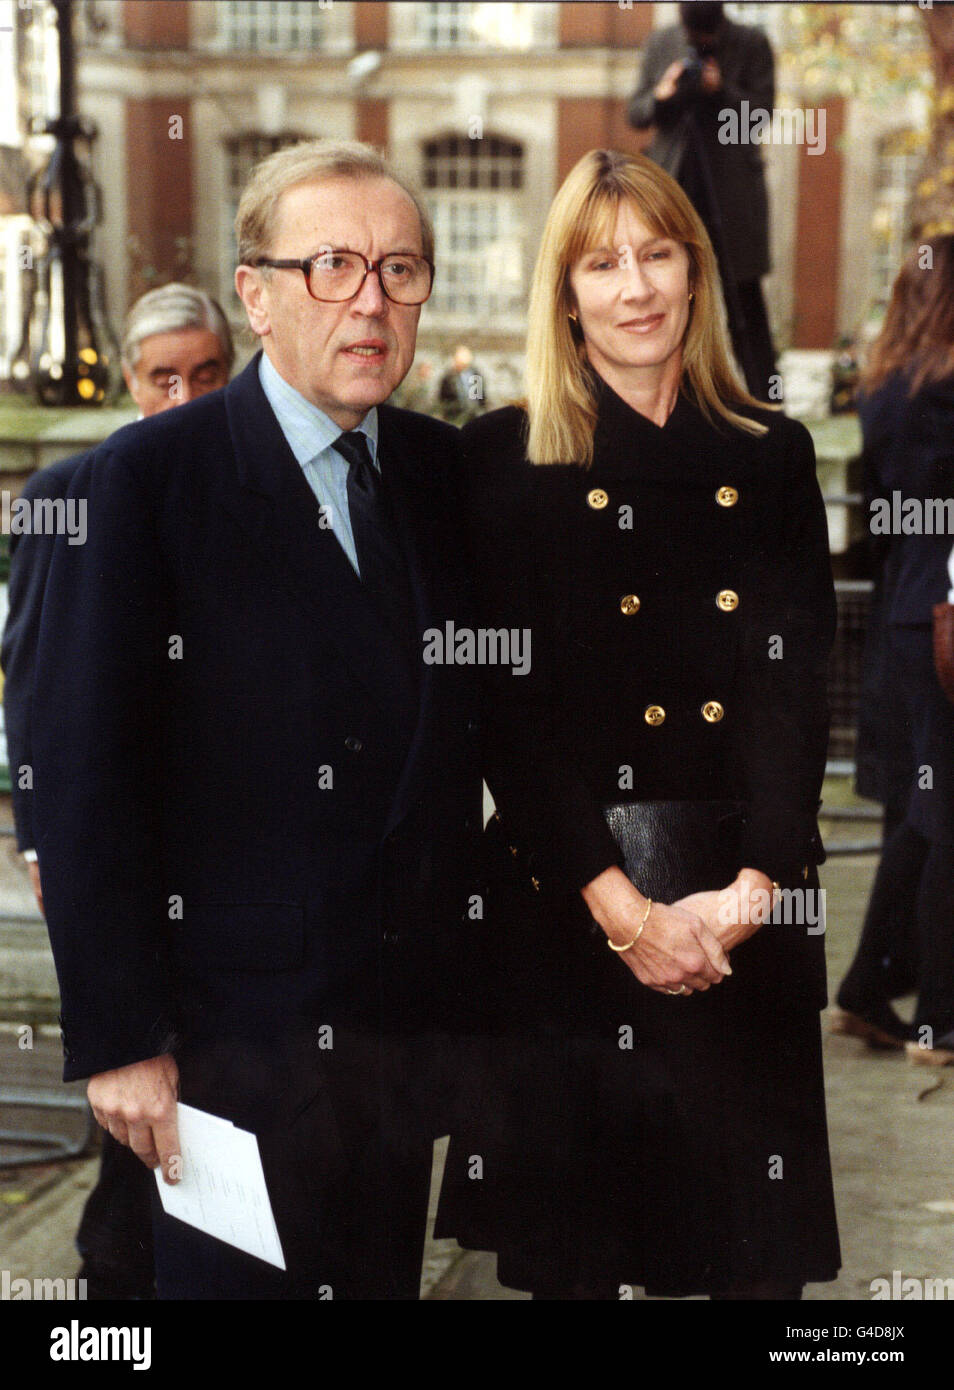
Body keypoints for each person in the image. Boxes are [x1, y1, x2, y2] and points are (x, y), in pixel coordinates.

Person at [31, 138, 481, 1299]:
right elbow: (84, 777)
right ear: (257, 293)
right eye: (333, 264)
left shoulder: (442, 477)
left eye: (400, 269)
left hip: (394, 1045)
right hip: (225, 1049)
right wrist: (120, 1038)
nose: (372, 301)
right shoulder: (142, 485)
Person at [435, 149, 840, 1300]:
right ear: (564, 293)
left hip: (737, 912)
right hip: (577, 912)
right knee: (582, 1263)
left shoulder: (770, 455)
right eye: (601, 263)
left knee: (751, 1270)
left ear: (697, 274)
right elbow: (509, 721)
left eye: (657, 254)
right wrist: (624, 913)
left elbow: (789, 685)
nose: (636, 287)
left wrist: (754, 888)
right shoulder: (506, 460)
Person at [1, 281, 234, 1299]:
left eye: (206, 374)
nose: (184, 396)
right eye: (162, 378)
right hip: (120, 859)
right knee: (140, 1070)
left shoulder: (264, 489)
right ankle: (114, 1275)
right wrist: (46, 846)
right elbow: (35, 685)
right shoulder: (71, 490)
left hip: (237, 868)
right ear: (134, 385)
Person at [833, 237, 954, 1065]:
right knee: (940, 812)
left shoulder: (882, 392)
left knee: (922, 807)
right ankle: (935, 1017)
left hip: (908, 612)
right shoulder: (949, 390)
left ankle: (869, 991)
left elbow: (876, 517)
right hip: (946, 612)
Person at [628, 2, 777, 398]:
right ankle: (676, 403)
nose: (700, 43)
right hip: (674, 186)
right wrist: (663, 93)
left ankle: (770, 407)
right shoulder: (661, 42)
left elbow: (761, 116)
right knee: (672, 298)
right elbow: (636, 112)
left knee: (746, 307)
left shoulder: (752, 43)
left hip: (732, 196)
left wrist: (721, 88)